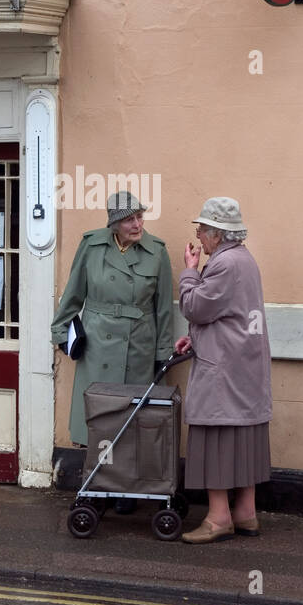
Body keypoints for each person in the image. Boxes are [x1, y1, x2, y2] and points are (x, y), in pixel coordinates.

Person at [174, 197, 272, 544]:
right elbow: (228, 313)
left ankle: (218, 519)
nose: (198, 235)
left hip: (223, 370)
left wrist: (189, 271)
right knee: (243, 437)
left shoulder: (222, 264)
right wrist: (194, 339)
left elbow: (196, 307)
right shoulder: (245, 260)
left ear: (217, 233)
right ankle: (246, 514)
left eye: (202, 229)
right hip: (244, 366)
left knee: (214, 437)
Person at [51, 190, 174, 455]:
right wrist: (61, 332)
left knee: (133, 422)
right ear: (114, 224)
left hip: (138, 348)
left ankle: (127, 490)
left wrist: (163, 353)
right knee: (98, 419)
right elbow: (73, 293)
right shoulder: (92, 246)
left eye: (140, 217)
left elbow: (163, 310)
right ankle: (95, 486)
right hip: (97, 347)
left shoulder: (157, 252)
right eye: (129, 219)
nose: (137, 224)